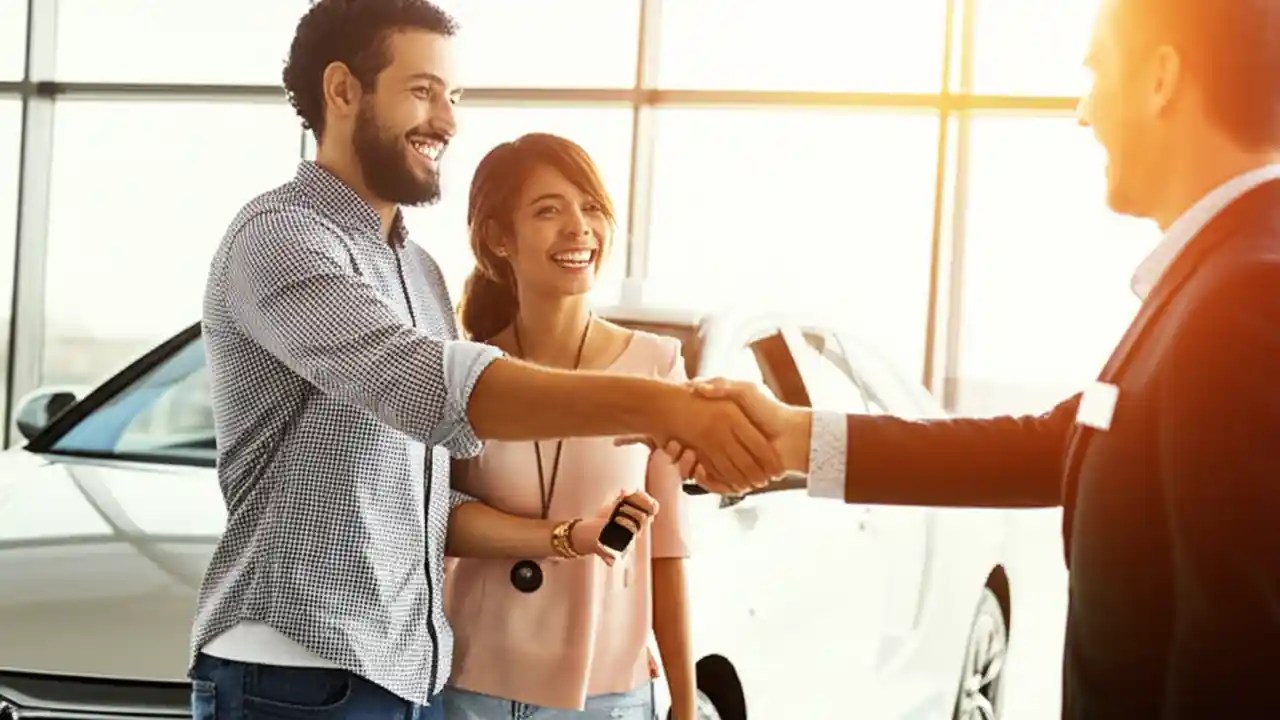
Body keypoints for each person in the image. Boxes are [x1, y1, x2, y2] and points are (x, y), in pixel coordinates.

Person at [656, 1, 1280, 717]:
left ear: (1162, 78)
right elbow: (1056, 444)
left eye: (1097, 71)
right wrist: (793, 437)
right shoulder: (1215, 279)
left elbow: (1242, 651)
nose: (1085, 112)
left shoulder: (1249, 294)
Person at [187, 2, 782, 719]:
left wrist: (563, 538)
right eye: (422, 90)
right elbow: (427, 387)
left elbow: (428, 501)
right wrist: (662, 404)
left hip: (408, 676)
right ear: (343, 91)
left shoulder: (419, 272)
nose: (447, 119)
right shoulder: (281, 238)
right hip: (295, 674)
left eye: (453, 96)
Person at [437, 133, 697, 720]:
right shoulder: (466, 369)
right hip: (471, 684)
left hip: (606, 694)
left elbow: (668, 550)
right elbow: (436, 520)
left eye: (592, 208)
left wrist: (683, 701)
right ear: (499, 239)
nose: (579, 228)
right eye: (548, 210)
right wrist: (565, 535)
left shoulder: (655, 366)